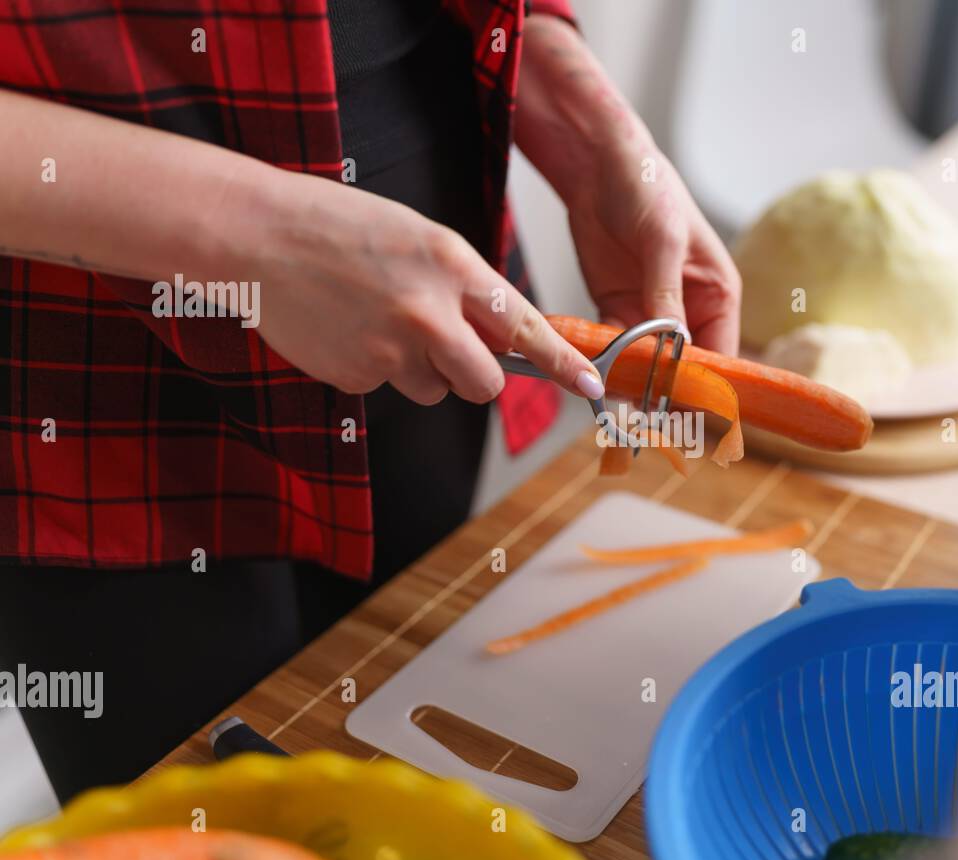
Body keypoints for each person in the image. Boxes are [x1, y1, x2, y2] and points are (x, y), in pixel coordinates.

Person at [0, 0, 740, 801]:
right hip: (91, 403)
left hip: (422, 304)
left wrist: (580, 111)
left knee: (409, 779)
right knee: (215, 823)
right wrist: (258, 236)